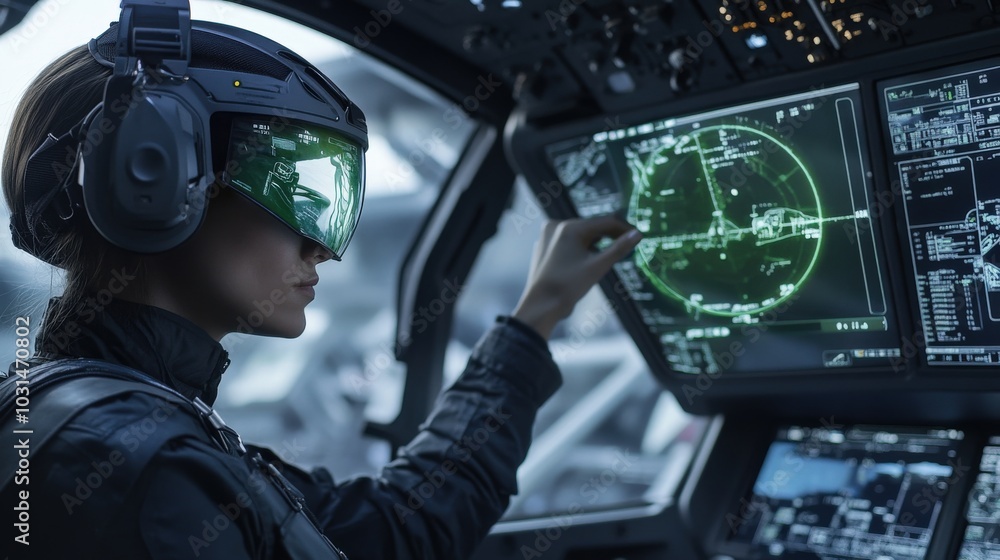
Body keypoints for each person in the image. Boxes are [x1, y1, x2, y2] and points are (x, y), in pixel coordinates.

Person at [0, 2, 642, 559]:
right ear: (153, 181)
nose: (323, 249)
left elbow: (392, 533)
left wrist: (536, 318)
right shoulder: (135, 468)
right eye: (293, 193)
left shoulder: (138, 427)